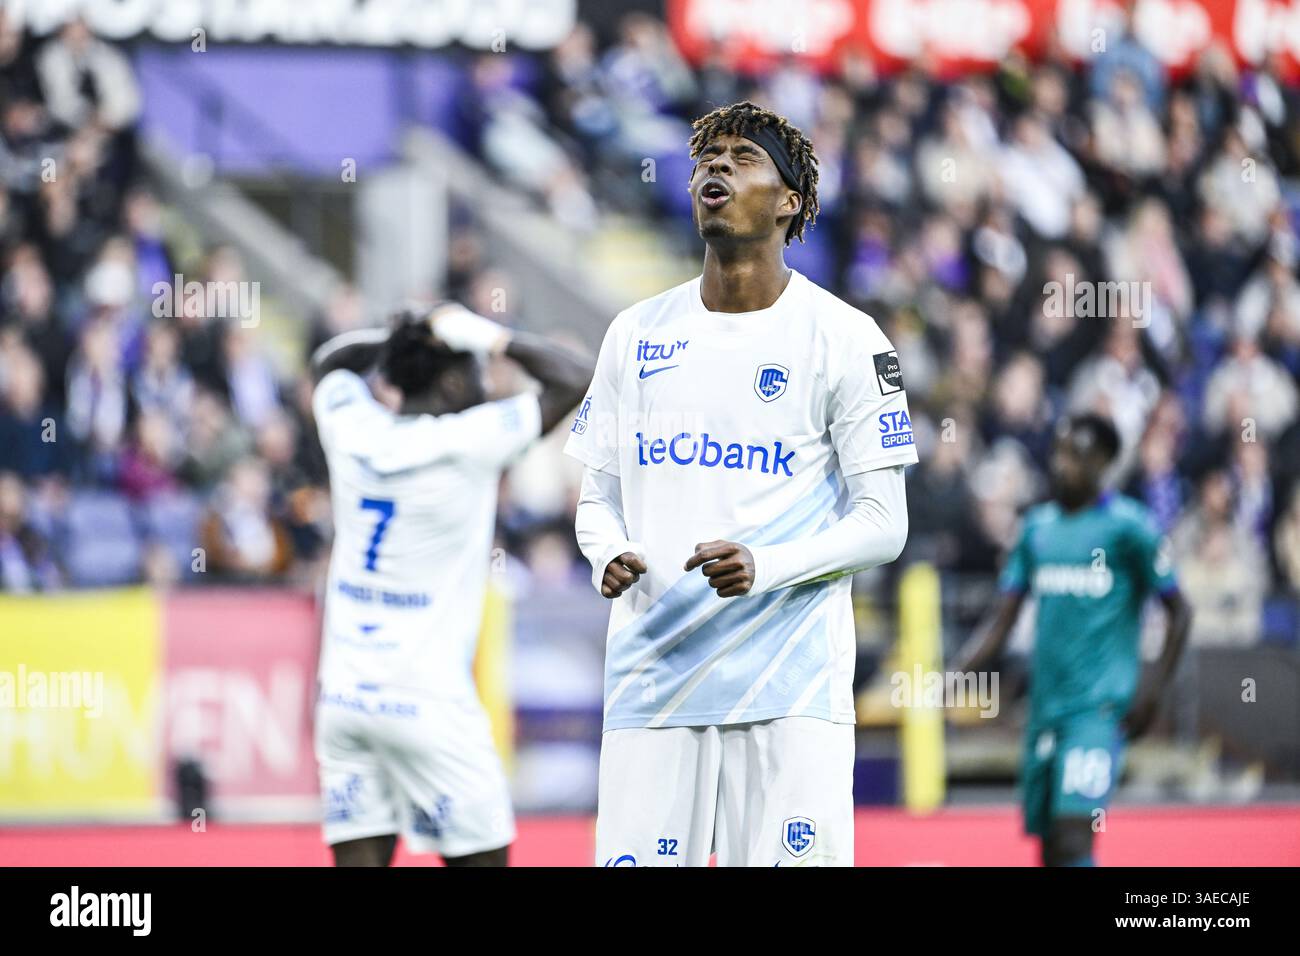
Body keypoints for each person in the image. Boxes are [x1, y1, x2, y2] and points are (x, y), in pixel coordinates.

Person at [565, 101, 917, 867]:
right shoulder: (635, 333)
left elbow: (885, 523)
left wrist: (767, 563)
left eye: (741, 157)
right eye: (705, 158)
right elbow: (598, 499)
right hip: (653, 681)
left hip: (789, 688)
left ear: (790, 203)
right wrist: (607, 553)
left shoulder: (847, 339)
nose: (714, 167)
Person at [310, 304, 591, 867]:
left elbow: (329, 363)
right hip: (427, 704)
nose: (487, 388)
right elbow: (577, 376)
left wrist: (404, 342)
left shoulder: (350, 425)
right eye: (478, 375)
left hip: (343, 694)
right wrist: (487, 335)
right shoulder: (473, 437)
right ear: (455, 380)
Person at [953, 414, 1192, 866]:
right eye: (1059, 453)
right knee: (1048, 846)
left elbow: (1180, 612)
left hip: (1098, 712)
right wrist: (956, 674)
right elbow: (1003, 619)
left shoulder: (1131, 528)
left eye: (1076, 456)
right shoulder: (1037, 529)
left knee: (1074, 836)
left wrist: (1154, 691)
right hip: (1045, 711)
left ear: (1103, 463)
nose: (1063, 465)